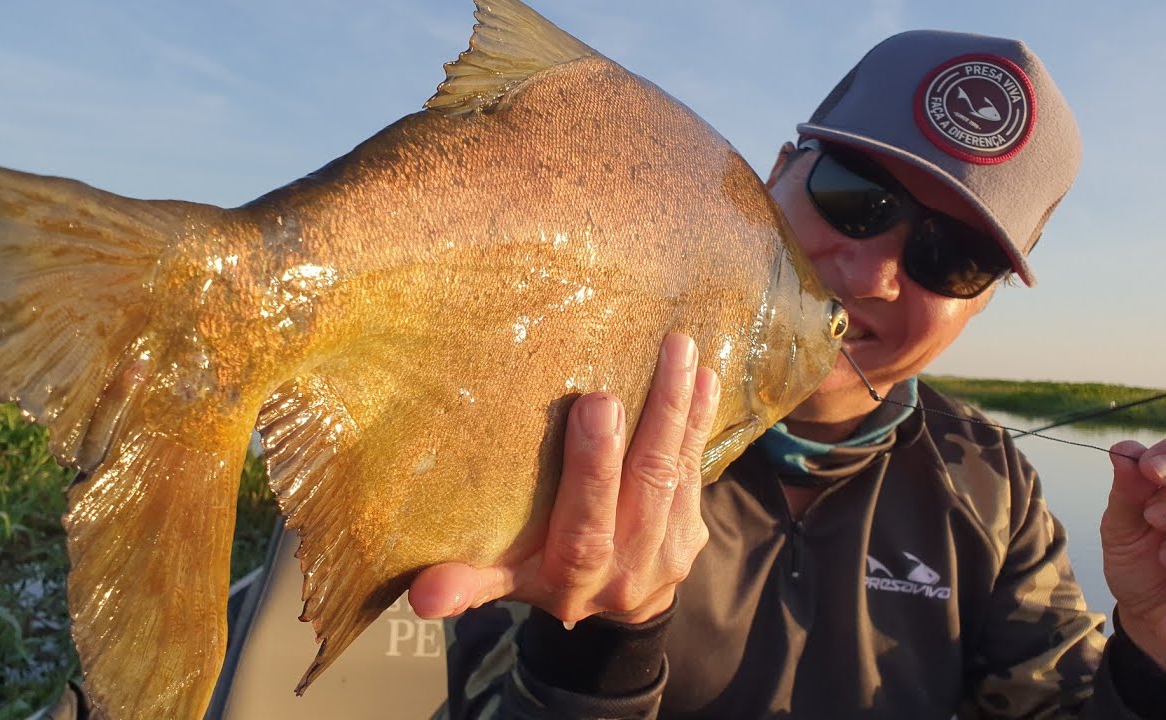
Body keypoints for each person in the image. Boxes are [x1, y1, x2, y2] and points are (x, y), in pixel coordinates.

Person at [409, 29, 1166, 719]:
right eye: (854, 195)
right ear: (771, 177)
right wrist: (601, 647)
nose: (871, 273)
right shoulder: (575, 408)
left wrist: (1151, 654)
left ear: (981, 302)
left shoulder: (995, 491)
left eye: (953, 257)